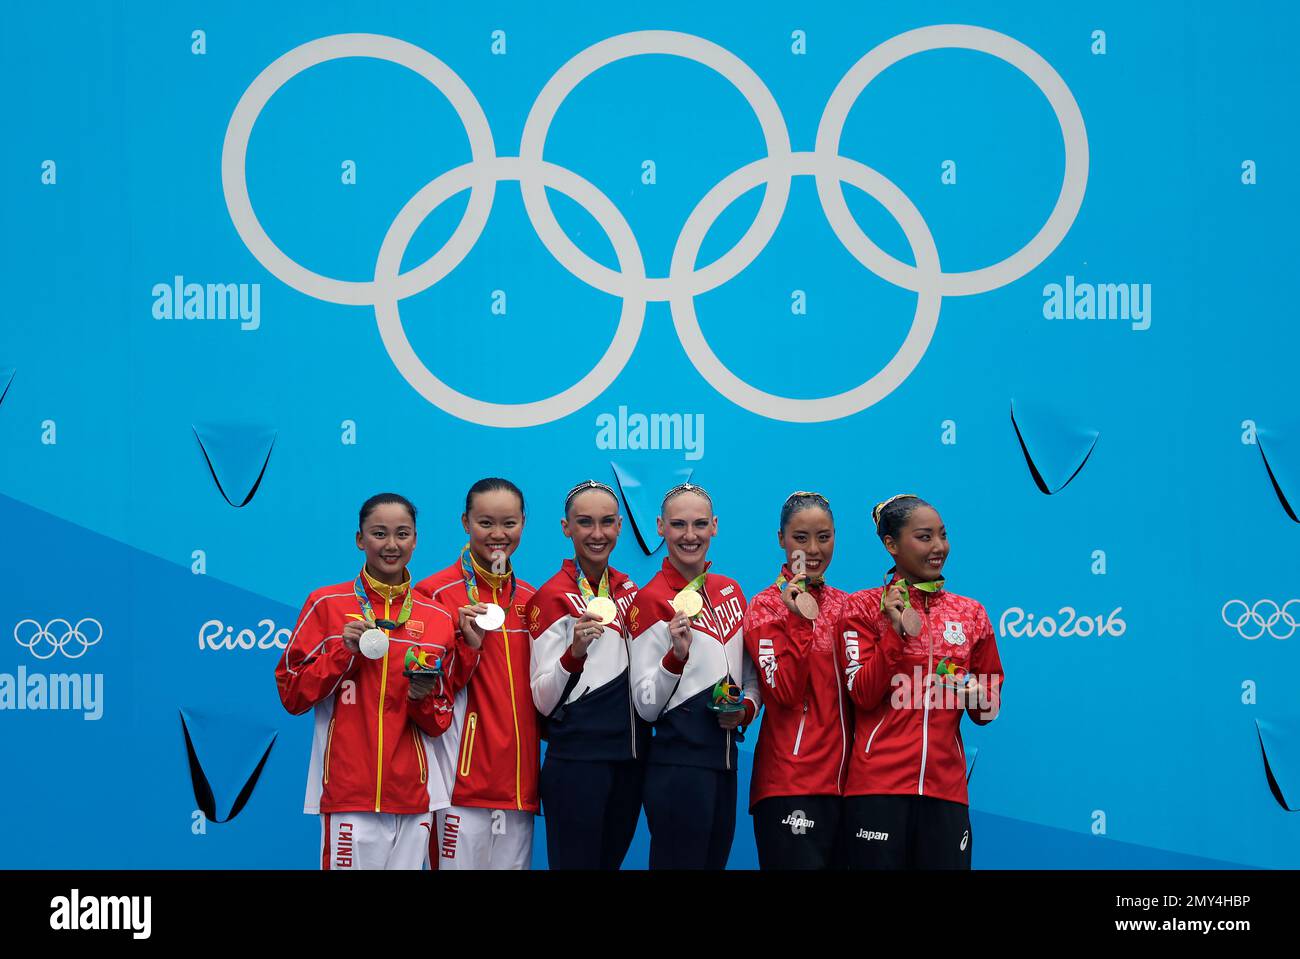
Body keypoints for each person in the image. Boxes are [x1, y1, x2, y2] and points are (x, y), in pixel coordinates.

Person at [275, 493, 456, 870]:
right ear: (360, 539)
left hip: (414, 794)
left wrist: (422, 698)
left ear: (415, 540)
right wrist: (344, 653)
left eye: (402, 534)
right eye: (379, 533)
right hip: (349, 794)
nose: (391, 545)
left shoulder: (437, 617)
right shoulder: (326, 604)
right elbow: (292, 694)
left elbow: (441, 718)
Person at [836, 494, 1004, 869]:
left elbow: (988, 711)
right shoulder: (862, 607)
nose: (939, 547)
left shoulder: (971, 613)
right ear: (891, 545)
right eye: (925, 537)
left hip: (946, 794)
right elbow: (862, 694)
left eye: (942, 536)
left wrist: (979, 695)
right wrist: (895, 633)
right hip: (877, 789)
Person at [627, 482, 760, 869]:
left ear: (715, 526)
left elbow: (750, 675)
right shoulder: (650, 600)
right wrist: (676, 657)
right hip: (677, 769)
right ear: (660, 527)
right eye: (679, 525)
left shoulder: (731, 590)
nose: (690, 535)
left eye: (700, 524)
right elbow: (645, 706)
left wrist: (747, 709)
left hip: (725, 763)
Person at [415, 478, 537, 870]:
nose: (498, 535)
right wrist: (465, 646)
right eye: (486, 523)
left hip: (517, 788)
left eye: (509, 523)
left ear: (523, 523)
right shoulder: (434, 595)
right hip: (459, 785)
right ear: (465, 522)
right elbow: (421, 691)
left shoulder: (534, 600)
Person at [525, 479, 648, 869]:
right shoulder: (551, 597)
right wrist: (573, 654)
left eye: (607, 522)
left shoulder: (630, 590)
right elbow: (542, 699)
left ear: (619, 527)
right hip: (579, 764)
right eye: (585, 523)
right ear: (567, 528)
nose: (597, 534)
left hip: (630, 761)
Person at [743, 491, 852, 869]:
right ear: (781, 539)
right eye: (800, 538)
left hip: (847, 786)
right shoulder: (764, 607)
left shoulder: (848, 606)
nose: (813, 549)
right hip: (790, 784)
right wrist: (799, 620)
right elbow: (785, 692)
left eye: (824, 536)